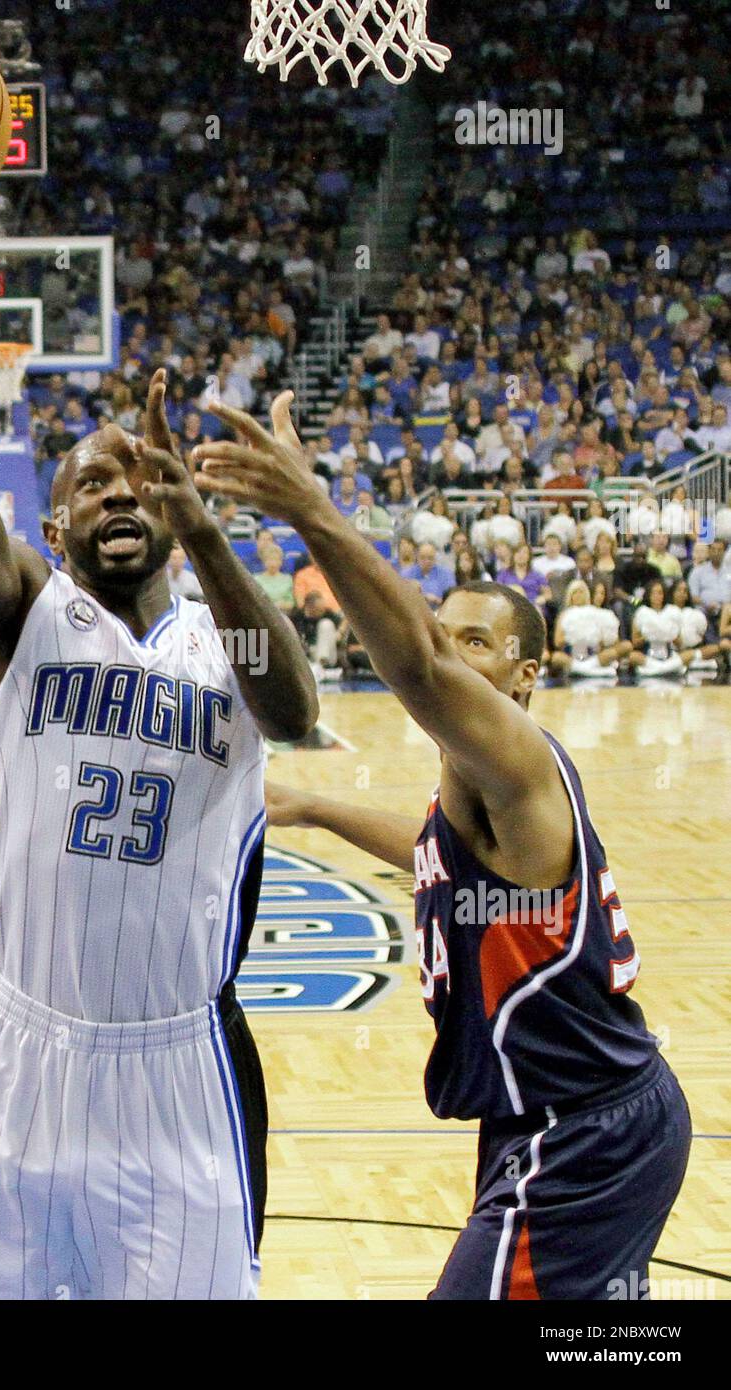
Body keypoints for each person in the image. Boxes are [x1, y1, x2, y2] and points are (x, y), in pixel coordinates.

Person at [0, 92, 317, 1302]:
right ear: (54, 522)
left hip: (175, 1072)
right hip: (19, 1053)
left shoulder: (223, 637)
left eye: (146, 475)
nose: (123, 490)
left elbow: (291, 711)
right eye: (95, 482)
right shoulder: (21, 615)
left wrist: (210, 533)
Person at [194, 397, 689, 1301]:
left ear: (524, 675)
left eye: (476, 642)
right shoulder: (482, 796)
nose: (455, 655)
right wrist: (314, 805)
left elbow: (416, 661)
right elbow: (433, 854)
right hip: (557, 1115)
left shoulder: (522, 765)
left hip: (580, 1130)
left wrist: (311, 510)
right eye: (450, 630)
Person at [550, 580, 630, 680]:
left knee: (626, 646)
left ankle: (582, 669)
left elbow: (607, 640)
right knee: (556, 657)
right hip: (573, 657)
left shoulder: (595, 613)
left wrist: (598, 639)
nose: (579, 595)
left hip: (595, 657)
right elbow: (558, 642)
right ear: (570, 595)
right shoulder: (564, 615)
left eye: (581, 592)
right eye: (575, 592)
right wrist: (576, 637)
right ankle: (586, 669)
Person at [628, 579, 686, 678]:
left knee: (689, 655)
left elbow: (680, 644)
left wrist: (669, 635)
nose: (657, 596)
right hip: (648, 656)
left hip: (669, 656)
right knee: (631, 656)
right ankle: (662, 668)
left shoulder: (672, 612)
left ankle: (661, 668)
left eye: (660, 593)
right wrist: (648, 636)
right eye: (653, 593)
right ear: (648, 595)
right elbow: (634, 642)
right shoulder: (641, 612)